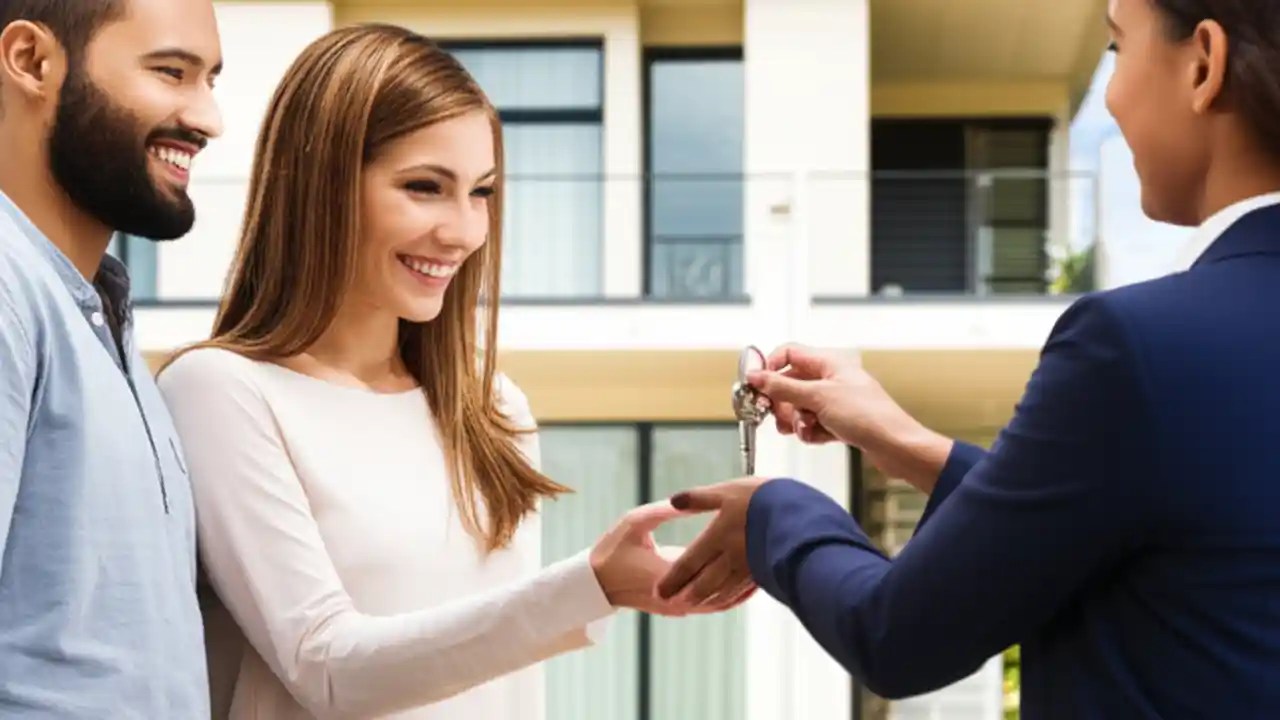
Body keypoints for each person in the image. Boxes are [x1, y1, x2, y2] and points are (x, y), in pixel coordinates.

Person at [657, 0, 1280, 716]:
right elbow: (1151, 527)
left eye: (1116, 49)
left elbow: (897, 633)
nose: (1110, 97)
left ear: (1204, 63)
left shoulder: (1137, 347)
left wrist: (773, 511)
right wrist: (906, 443)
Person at [155, 23, 747, 720]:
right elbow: (327, 669)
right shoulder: (223, 392)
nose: (463, 231)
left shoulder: (492, 407)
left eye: (482, 192)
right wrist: (589, 586)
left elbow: (512, 693)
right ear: (321, 187)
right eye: (425, 187)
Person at [0, 0, 223, 715]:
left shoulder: (104, 314)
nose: (209, 117)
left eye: (210, 79)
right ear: (32, 62)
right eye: (171, 73)